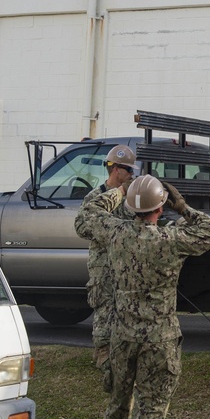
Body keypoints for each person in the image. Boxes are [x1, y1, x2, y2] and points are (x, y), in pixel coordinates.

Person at [76, 174, 210, 419]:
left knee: (119, 399)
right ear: (159, 210)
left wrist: (118, 192)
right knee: (150, 405)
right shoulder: (169, 240)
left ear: (130, 207)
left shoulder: (114, 233)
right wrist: (182, 206)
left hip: (122, 334)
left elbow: (85, 216)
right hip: (159, 337)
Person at [74, 144, 138, 392]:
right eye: (127, 169)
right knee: (104, 307)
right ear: (115, 169)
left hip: (128, 264)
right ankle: (103, 354)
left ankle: (124, 354)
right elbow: (82, 227)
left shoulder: (133, 196)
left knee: (126, 308)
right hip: (104, 264)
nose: (131, 173)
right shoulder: (96, 197)